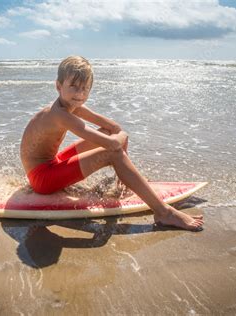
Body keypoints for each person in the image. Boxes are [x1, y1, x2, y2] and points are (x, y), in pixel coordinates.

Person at [20, 56, 203, 231]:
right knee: (112, 151)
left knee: (110, 135)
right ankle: (164, 213)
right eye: (74, 87)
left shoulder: (69, 105)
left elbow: (112, 127)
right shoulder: (61, 116)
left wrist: (119, 134)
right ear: (58, 86)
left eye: (85, 88)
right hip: (42, 179)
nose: (80, 94)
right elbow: (113, 145)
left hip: (52, 163)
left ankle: (124, 179)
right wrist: (122, 136)